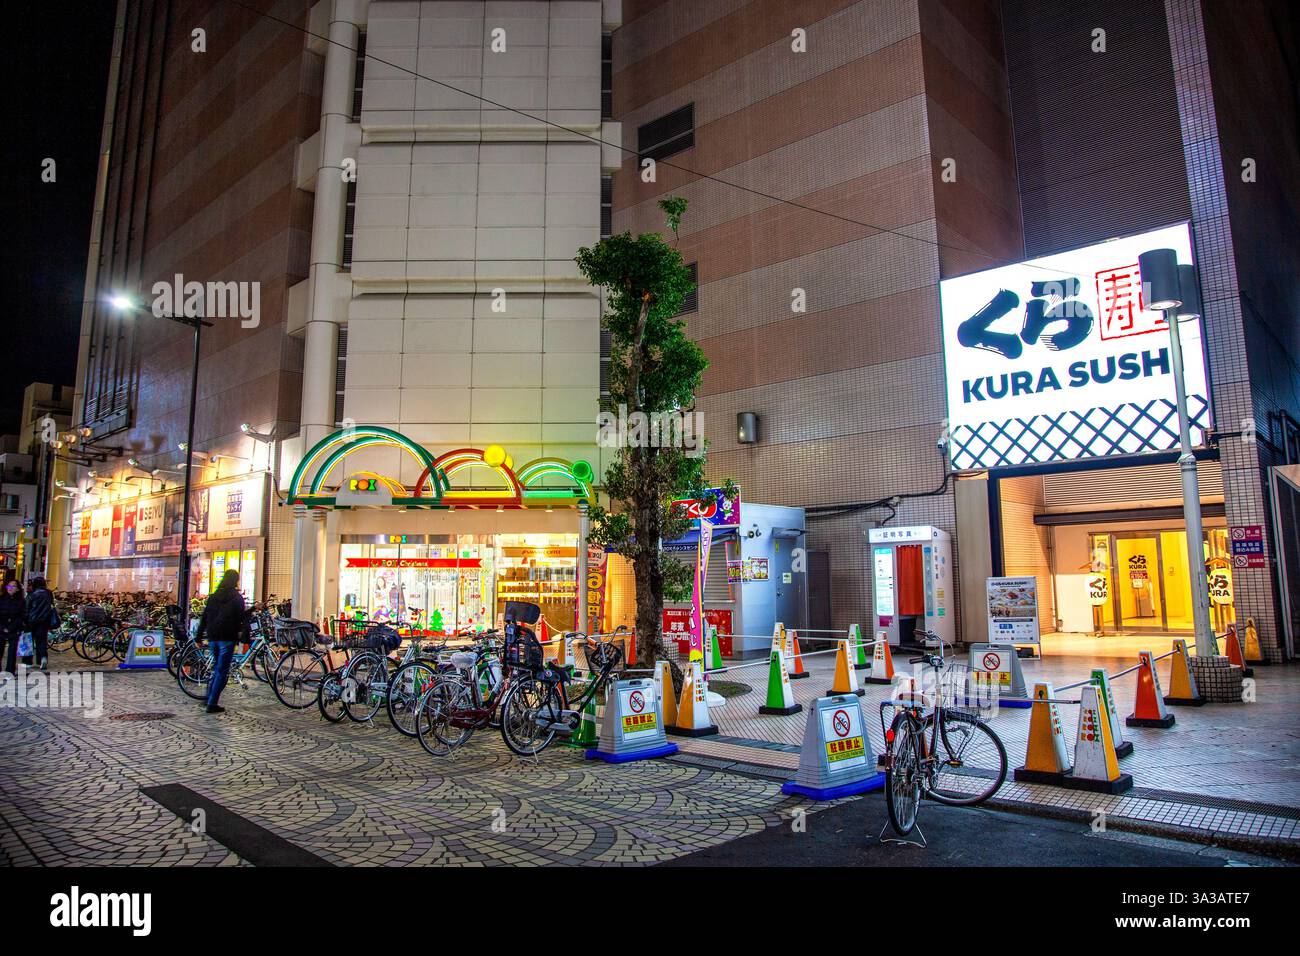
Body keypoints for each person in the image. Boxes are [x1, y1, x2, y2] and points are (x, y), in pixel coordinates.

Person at [195, 570, 248, 714]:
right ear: (236, 580)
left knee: (217, 669)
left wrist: (198, 637)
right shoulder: (237, 598)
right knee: (221, 671)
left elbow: (205, 617)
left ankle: (209, 697)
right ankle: (212, 702)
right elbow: (241, 618)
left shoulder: (213, 596)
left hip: (213, 637)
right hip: (227, 637)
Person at [24, 576, 58, 671]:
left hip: (30, 621)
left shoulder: (31, 594)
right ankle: (42, 658)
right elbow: (51, 605)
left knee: (28, 641)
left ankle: (27, 662)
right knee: (42, 641)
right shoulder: (49, 593)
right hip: (44, 621)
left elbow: (26, 608)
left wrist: (24, 619)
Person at [0, 577, 27, 675]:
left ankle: (10, 671)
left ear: (18, 589)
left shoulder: (21, 601)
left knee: (12, 651)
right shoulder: (2, 599)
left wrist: (11, 627)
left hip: (14, 629)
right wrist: (3, 627)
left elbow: (22, 616)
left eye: (13, 586)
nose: (10, 588)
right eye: (9, 586)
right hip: (1, 628)